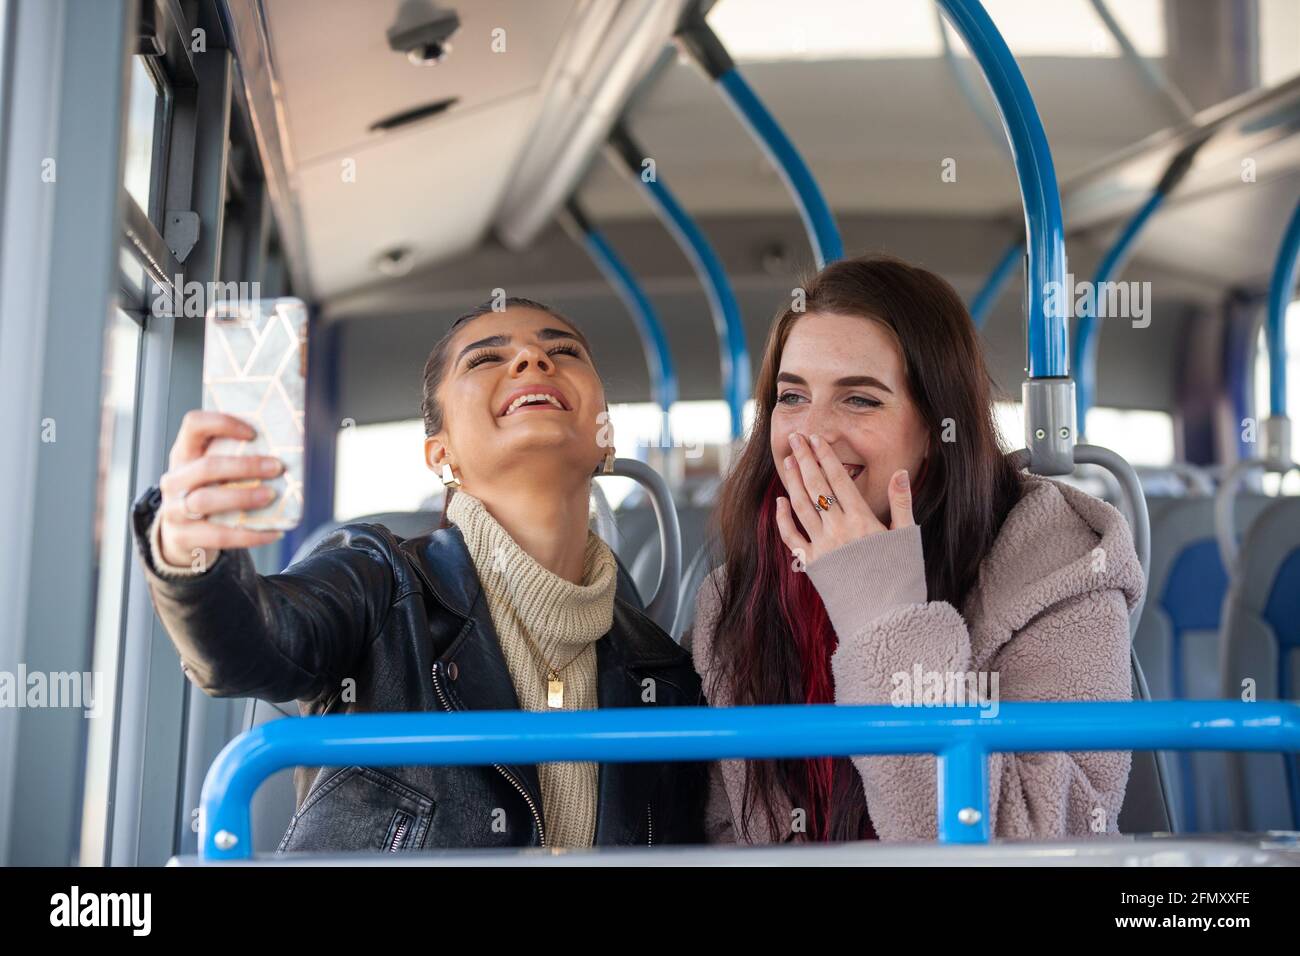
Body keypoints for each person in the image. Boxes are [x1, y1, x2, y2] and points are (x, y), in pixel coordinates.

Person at [131, 296, 706, 851]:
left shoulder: (665, 671)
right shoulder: (381, 586)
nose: (535, 361)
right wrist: (190, 555)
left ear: (605, 435)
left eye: (565, 352)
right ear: (440, 455)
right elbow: (253, 643)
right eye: (486, 358)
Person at [686, 255, 1143, 844]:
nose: (811, 433)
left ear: (936, 427)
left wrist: (884, 617)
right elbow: (730, 833)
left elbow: (1041, 842)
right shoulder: (735, 596)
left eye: (861, 400)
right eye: (793, 397)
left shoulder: (1057, 567)